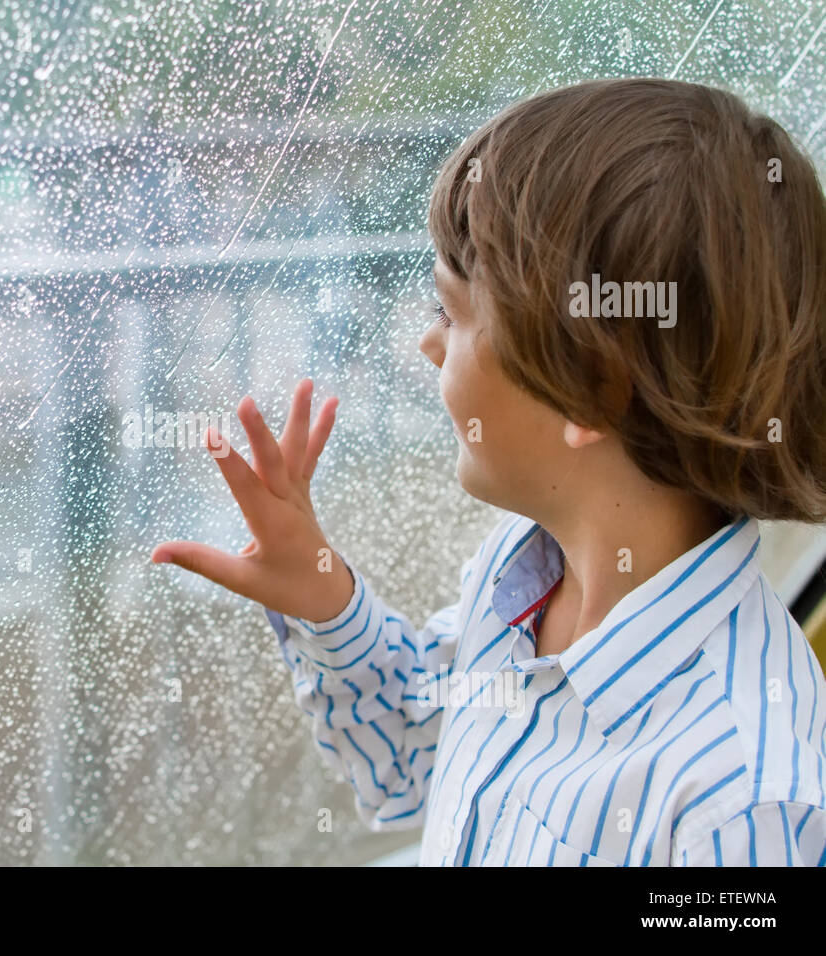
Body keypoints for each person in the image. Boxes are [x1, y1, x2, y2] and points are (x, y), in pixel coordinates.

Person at [151, 78, 826, 866]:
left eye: (451, 311)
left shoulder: (747, 799)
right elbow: (410, 755)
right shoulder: (522, 574)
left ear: (593, 388)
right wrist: (323, 599)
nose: (428, 344)